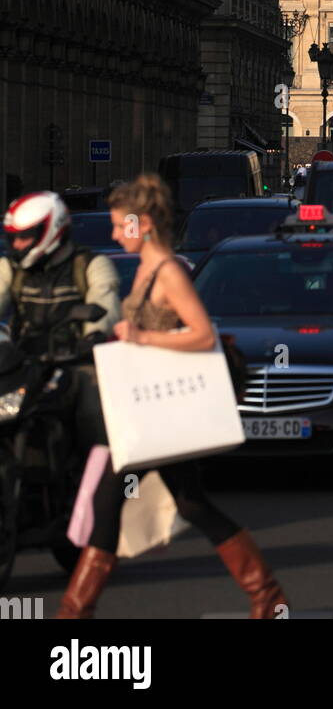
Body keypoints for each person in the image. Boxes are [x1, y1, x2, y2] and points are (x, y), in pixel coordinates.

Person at [56, 173, 288, 619]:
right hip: (152, 406)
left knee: (111, 502)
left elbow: (202, 335)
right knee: (190, 503)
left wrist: (140, 338)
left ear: (142, 223)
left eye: (118, 223)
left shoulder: (166, 270)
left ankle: (74, 612)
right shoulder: (147, 267)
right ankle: (268, 595)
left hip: (162, 410)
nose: (111, 232)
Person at [1, 190, 120, 455]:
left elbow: (105, 302)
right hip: (23, 364)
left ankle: (104, 477)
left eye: (25, 236)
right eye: (13, 238)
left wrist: (93, 336)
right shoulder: (11, 269)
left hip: (76, 363)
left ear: (52, 230)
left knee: (95, 412)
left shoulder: (92, 265)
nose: (18, 245)